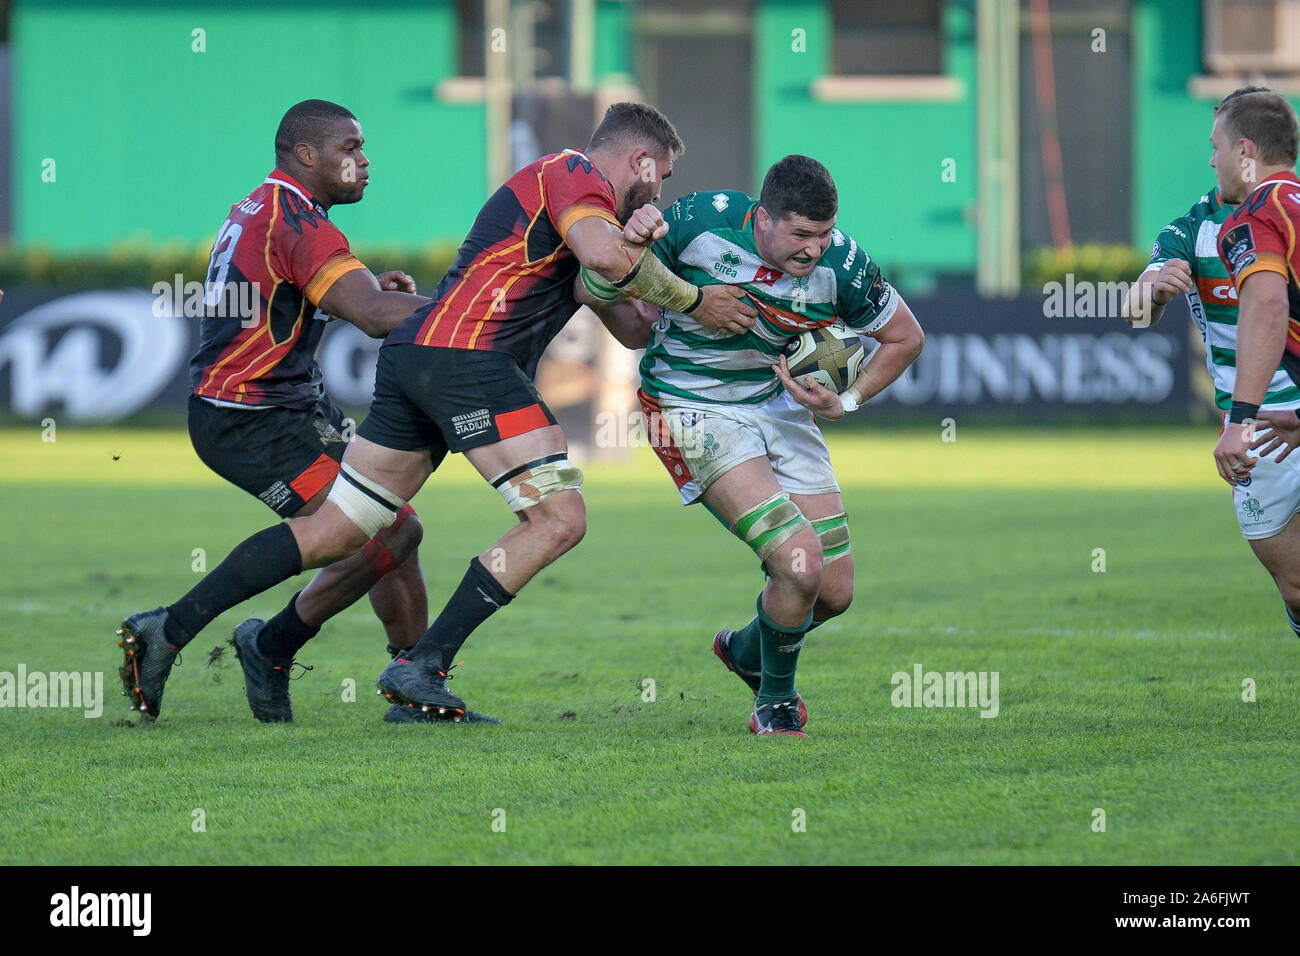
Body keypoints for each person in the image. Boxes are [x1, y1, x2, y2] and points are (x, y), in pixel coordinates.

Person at [117, 102, 757, 724]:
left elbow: (627, 322)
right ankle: (423, 664)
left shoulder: (584, 218)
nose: (658, 197)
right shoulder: (572, 173)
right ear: (640, 162)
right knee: (558, 519)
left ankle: (210, 636)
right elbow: (599, 257)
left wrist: (677, 289)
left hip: (416, 359)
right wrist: (695, 299)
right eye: (661, 180)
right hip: (454, 364)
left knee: (353, 532)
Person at [578, 155, 924, 736]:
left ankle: (744, 650)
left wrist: (848, 400)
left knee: (834, 592)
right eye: (801, 234)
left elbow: (904, 337)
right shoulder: (698, 225)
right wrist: (629, 243)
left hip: (778, 405)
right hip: (689, 405)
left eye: (824, 234)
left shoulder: (842, 263)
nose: (814, 249)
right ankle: (775, 701)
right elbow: (592, 285)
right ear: (762, 219)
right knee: (799, 561)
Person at [122, 99, 439, 724]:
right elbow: (373, 316)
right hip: (250, 417)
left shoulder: (264, 208)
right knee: (392, 528)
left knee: (395, 535)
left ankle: (408, 680)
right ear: (306, 154)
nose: (363, 160)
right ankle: (189, 632)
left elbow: (308, 297)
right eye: (349, 148)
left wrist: (374, 293)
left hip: (285, 407)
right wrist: (471, 311)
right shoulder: (294, 218)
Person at [1203, 89, 1300, 641]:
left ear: (1244, 151)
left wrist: (1240, 421)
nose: (1210, 160)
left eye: (1215, 146)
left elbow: (1267, 307)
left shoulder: (1254, 218)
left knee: (1295, 585)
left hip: (1266, 421)